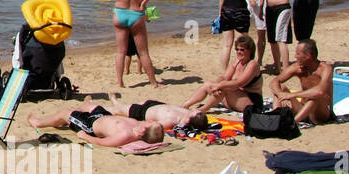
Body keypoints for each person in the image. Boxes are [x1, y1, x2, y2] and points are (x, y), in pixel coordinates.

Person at [110, 0, 159, 86]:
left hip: (119, 13)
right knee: (143, 52)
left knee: (121, 52)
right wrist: (144, 2)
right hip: (136, 14)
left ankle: (120, 82)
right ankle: (154, 82)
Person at [182, 35, 264, 113]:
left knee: (225, 87)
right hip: (235, 97)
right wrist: (217, 84)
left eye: (242, 50)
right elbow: (224, 77)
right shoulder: (237, 62)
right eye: (237, 49)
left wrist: (220, 86)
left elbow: (239, 83)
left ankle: (203, 110)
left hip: (251, 102)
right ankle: (185, 105)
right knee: (208, 84)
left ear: (250, 50)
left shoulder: (253, 64)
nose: (239, 52)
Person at [30, 98, 198, 134]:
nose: (146, 123)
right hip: (103, 117)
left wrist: (86, 138)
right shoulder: (135, 127)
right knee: (89, 105)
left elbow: (106, 141)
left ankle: (39, 123)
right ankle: (71, 117)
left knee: (66, 113)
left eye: (147, 125)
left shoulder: (127, 135)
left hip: (91, 125)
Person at [269, 39, 334, 124]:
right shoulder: (298, 67)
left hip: (321, 113)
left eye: (298, 54)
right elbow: (274, 81)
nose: (295, 56)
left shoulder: (325, 69)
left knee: (315, 96)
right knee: (281, 88)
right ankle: (275, 120)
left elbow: (320, 91)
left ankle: (292, 124)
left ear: (308, 56)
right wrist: (280, 94)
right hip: (303, 110)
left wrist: (291, 95)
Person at [217, 0, 254, 71]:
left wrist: (220, 14)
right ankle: (240, 70)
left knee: (226, 45)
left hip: (226, 11)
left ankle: (224, 71)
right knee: (241, 45)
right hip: (240, 13)